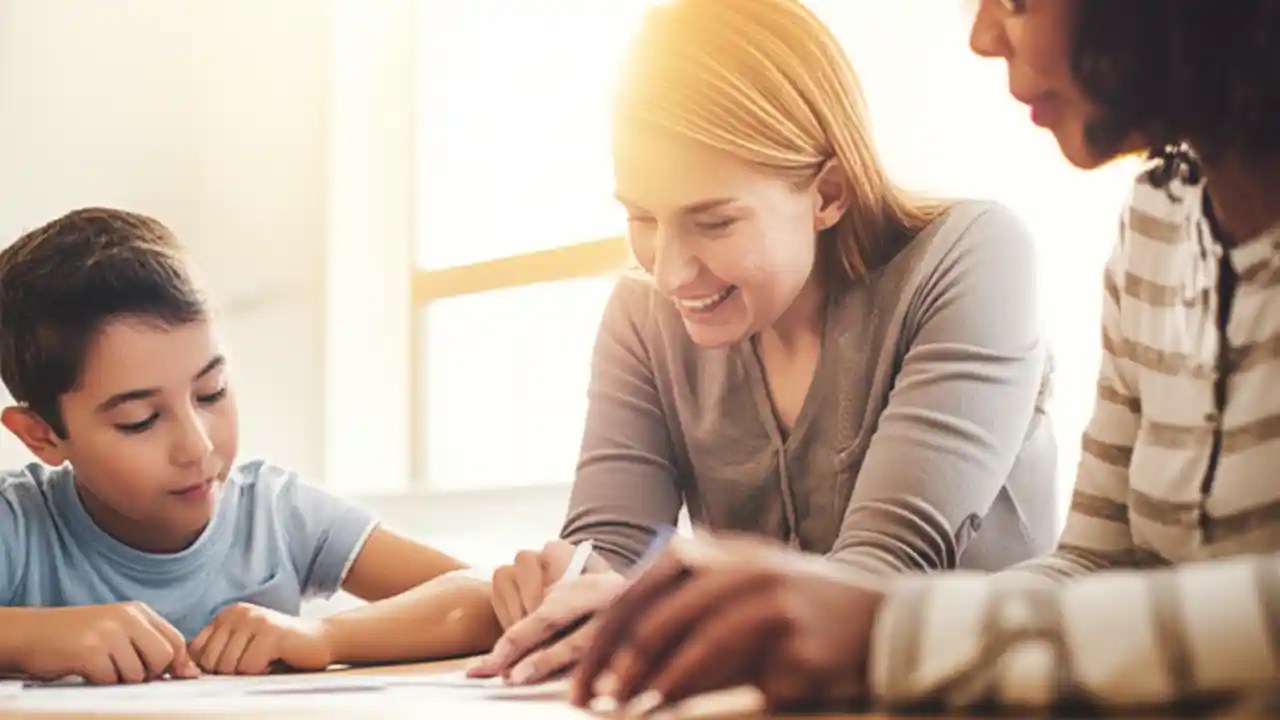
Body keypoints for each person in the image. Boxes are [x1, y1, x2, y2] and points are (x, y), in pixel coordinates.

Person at [570, 0, 1280, 713]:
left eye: (1019, 2)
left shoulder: (968, 254)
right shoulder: (1159, 221)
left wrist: (887, 631)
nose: (980, 36)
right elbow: (1098, 564)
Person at [470, 0, 1059, 685]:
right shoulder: (642, 315)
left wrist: (648, 605)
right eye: (642, 217)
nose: (667, 271)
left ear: (828, 194)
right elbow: (611, 552)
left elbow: (884, 570)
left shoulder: (970, 259)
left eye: (713, 223)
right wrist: (565, 587)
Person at [0, 208, 501, 684]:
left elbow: (485, 597)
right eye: (141, 420)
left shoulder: (277, 514)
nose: (197, 448)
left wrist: (326, 636)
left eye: (211, 392)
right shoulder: (18, 526)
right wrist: (29, 637)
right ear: (41, 435)